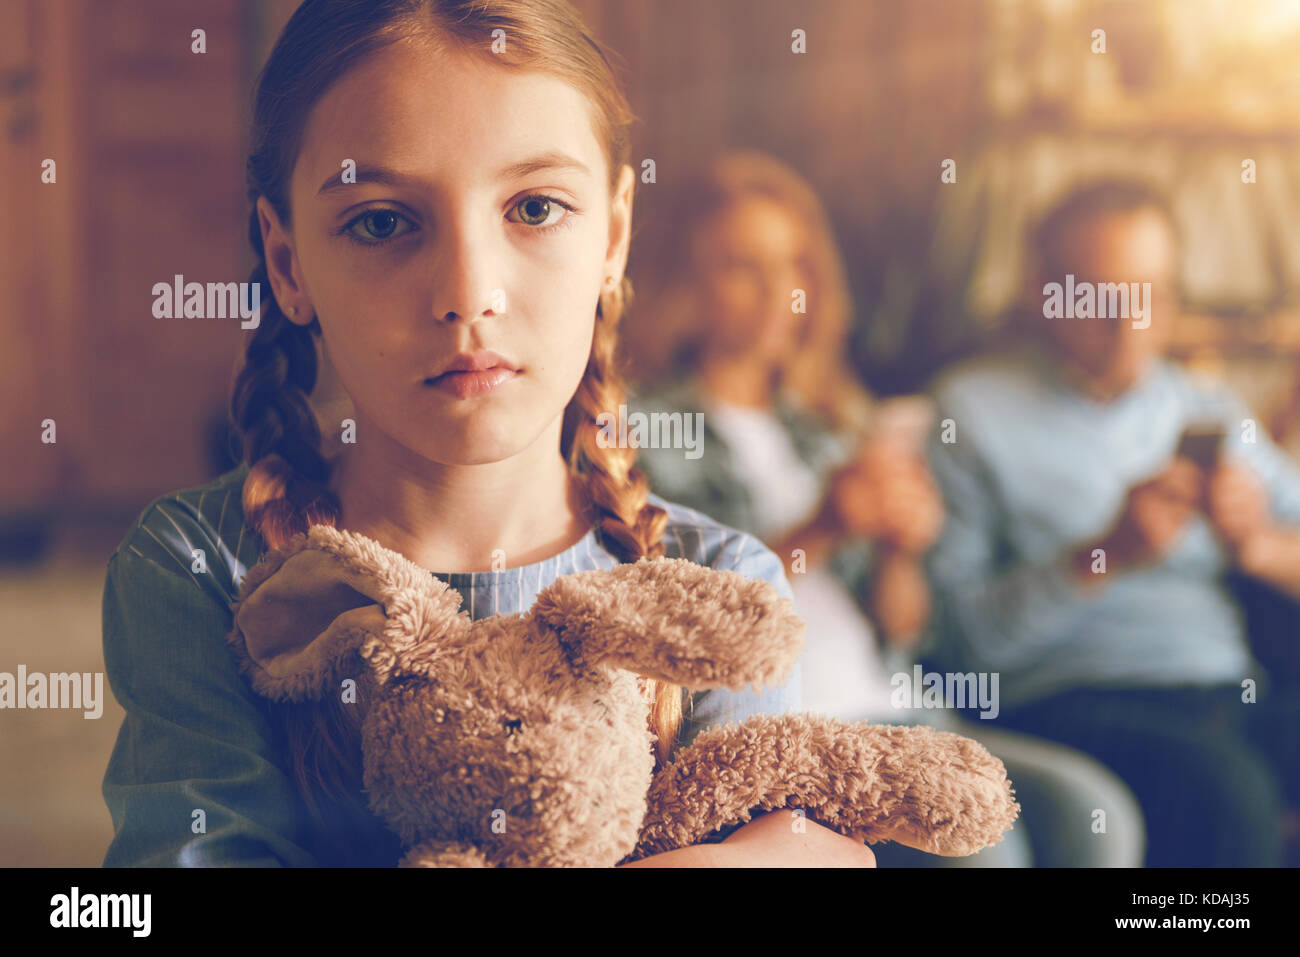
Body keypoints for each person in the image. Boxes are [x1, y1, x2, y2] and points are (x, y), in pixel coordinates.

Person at [100, 0, 868, 868]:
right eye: (383, 221)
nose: (470, 292)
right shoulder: (200, 566)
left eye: (535, 209)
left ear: (613, 236)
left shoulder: (720, 585)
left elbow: (798, 840)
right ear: (288, 265)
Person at [625, 151, 1145, 867]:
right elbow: (687, 627)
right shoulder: (641, 427)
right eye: (744, 266)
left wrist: (902, 546)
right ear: (681, 283)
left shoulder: (830, 420)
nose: (783, 292)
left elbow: (903, 625)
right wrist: (823, 528)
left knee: (1094, 812)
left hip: (896, 706)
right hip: (793, 731)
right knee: (991, 852)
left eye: (796, 264)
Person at [925, 178, 1300, 866]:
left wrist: (1258, 545)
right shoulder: (969, 413)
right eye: (1101, 295)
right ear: (1044, 291)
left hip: (1227, 691)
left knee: (1235, 771)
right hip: (1072, 700)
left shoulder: (1206, 407)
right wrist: (1106, 554)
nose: (1130, 324)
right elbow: (961, 650)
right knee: (1227, 794)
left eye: (1151, 295)